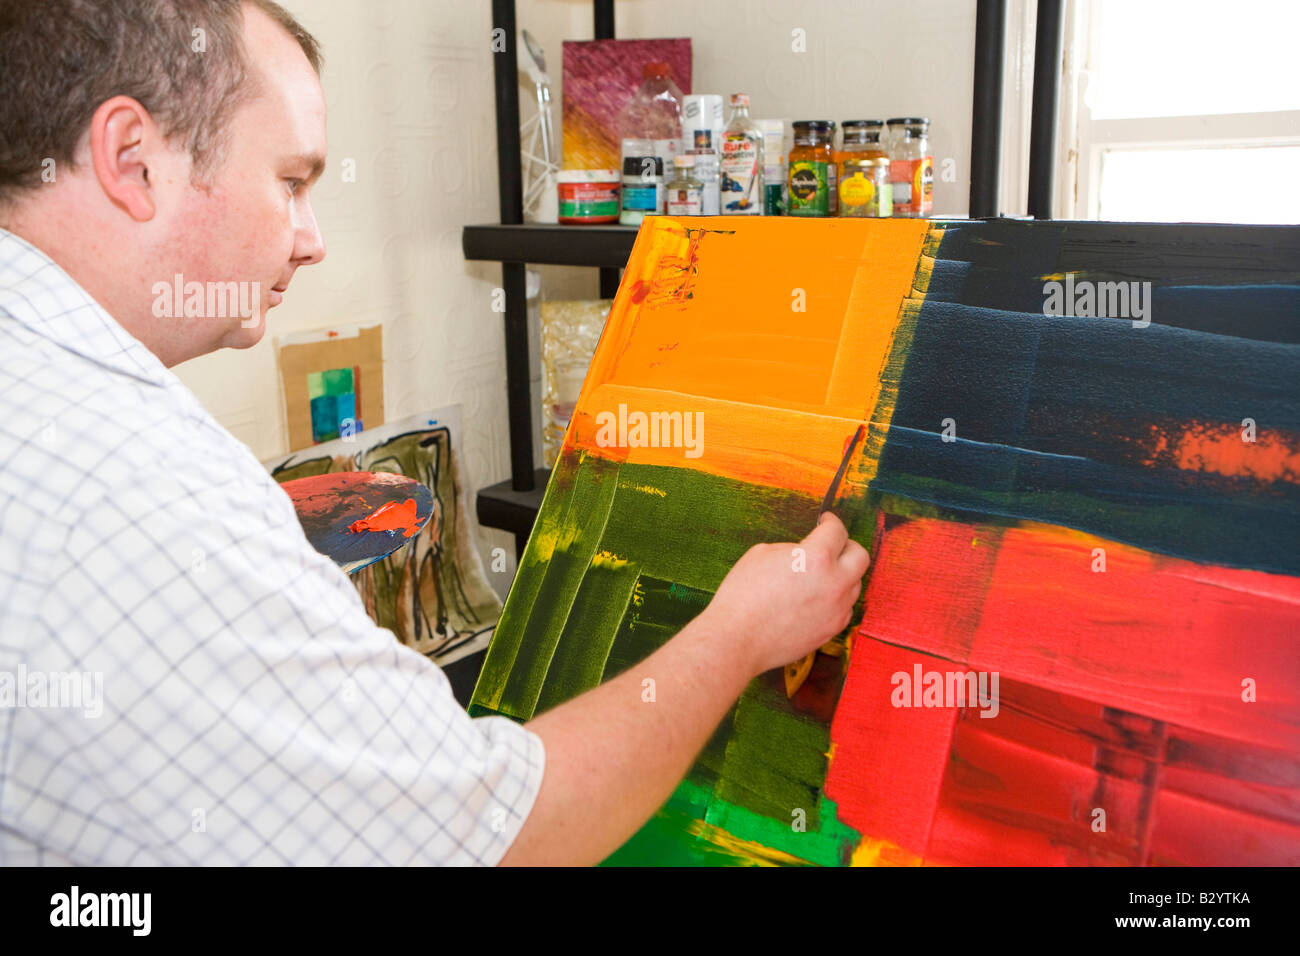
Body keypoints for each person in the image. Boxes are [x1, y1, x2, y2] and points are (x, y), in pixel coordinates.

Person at [0, 0, 870, 866]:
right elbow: (496, 839)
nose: (311, 242)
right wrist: (744, 632)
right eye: (291, 182)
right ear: (132, 160)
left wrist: (264, 555)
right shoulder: (148, 492)